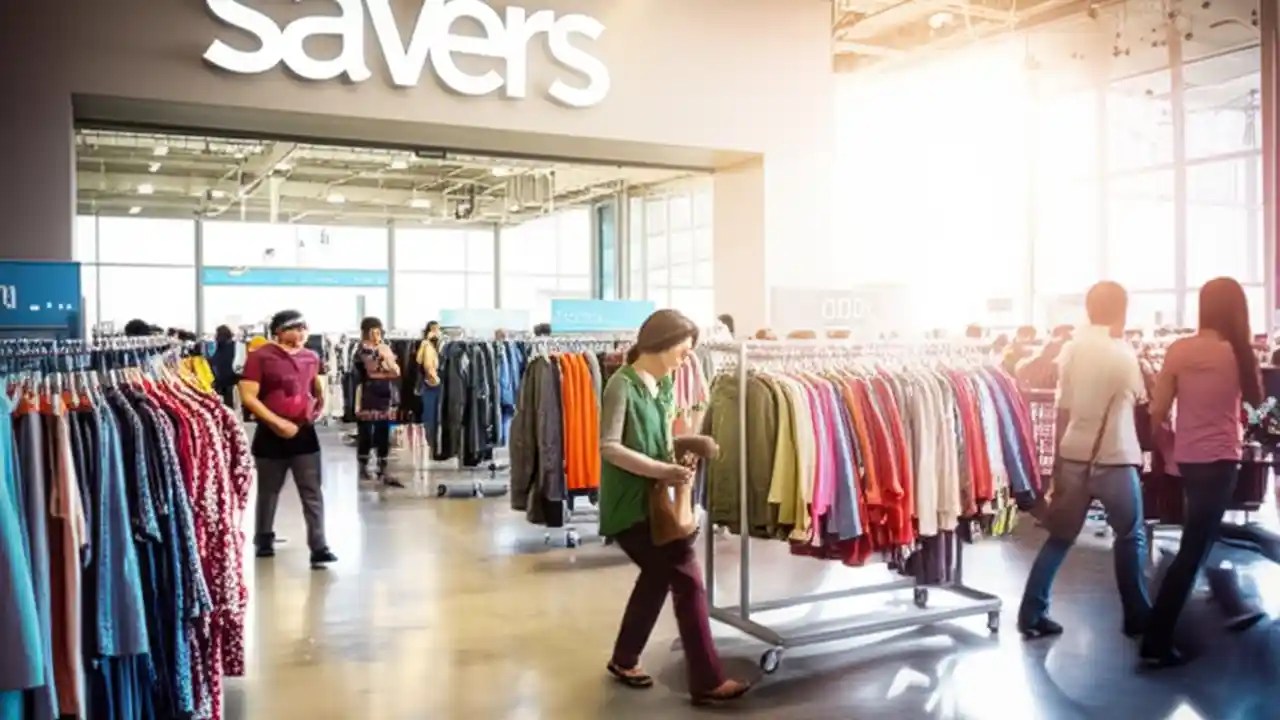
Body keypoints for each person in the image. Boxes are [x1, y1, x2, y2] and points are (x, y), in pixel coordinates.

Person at [599, 309, 749, 706]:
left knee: (656, 577)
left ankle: (624, 658)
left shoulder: (663, 386)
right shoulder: (621, 386)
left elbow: (661, 438)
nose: (686, 360)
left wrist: (687, 447)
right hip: (630, 505)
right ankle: (706, 680)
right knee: (688, 579)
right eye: (683, 352)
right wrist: (663, 469)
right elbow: (610, 448)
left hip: (658, 501)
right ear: (661, 345)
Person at [1141, 277, 1262, 667]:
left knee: (1200, 535)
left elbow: (1157, 412)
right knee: (1195, 544)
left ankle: (1225, 600)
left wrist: (1168, 447)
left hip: (1189, 459)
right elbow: (1259, 412)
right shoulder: (1238, 354)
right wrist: (1251, 424)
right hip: (1223, 457)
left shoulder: (1179, 350)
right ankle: (1156, 640)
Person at [1018, 281, 1151, 639]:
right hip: (1114, 456)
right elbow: (1137, 399)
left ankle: (1032, 612)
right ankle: (1137, 616)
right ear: (1122, 310)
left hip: (1074, 454)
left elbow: (1063, 410)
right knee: (1130, 535)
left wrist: (1059, 464)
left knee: (1061, 537)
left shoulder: (1072, 350)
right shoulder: (1122, 354)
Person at [239, 310, 337, 569]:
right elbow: (248, 396)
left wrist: (317, 408)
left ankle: (319, 546)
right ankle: (263, 539)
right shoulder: (260, 357)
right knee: (269, 490)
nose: (302, 333)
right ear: (279, 331)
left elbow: (316, 386)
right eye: (295, 328)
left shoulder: (311, 357)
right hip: (271, 432)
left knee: (312, 490)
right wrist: (276, 422)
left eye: (305, 328)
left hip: (303, 431)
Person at [353, 316, 403, 487]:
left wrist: (387, 366)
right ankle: (363, 466)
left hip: (385, 394)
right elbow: (372, 371)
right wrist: (386, 366)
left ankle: (383, 466)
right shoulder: (362, 350)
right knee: (366, 432)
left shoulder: (384, 348)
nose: (376, 335)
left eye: (379, 331)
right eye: (373, 332)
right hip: (367, 394)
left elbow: (396, 372)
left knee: (383, 432)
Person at [415, 321, 443, 456]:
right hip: (431, 385)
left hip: (431, 385)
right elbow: (424, 364)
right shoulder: (427, 346)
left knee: (432, 417)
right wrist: (436, 379)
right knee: (430, 417)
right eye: (434, 330)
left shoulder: (434, 345)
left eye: (438, 329)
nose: (437, 332)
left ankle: (432, 445)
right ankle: (431, 445)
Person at [211, 324, 238, 407]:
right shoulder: (224, 345)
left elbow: (220, 360)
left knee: (228, 402)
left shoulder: (229, 346)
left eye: (217, 334)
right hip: (223, 378)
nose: (215, 336)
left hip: (227, 378)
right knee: (226, 402)